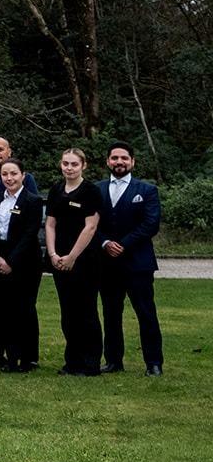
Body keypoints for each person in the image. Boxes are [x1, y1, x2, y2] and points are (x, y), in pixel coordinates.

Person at [96, 141, 163, 376]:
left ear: (132, 162)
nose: (119, 162)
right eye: (114, 158)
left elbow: (150, 224)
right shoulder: (98, 189)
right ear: (108, 162)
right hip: (107, 264)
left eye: (124, 158)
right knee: (111, 313)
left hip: (138, 263)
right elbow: (91, 225)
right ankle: (114, 361)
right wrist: (104, 242)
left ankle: (153, 363)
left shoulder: (147, 190)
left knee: (145, 313)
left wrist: (123, 244)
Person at [46, 147, 103, 375]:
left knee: (86, 312)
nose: (69, 168)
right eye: (65, 163)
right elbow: (50, 224)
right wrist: (53, 254)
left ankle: (90, 364)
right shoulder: (56, 190)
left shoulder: (91, 192)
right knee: (68, 313)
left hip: (84, 260)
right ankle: (72, 362)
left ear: (83, 166)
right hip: (59, 260)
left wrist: (72, 256)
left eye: (74, 164)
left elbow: (90, 227)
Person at [0, 156, 43, 372]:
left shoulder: (33, 201)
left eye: (13, 174)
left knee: (24, 309)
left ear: (23, 176)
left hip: (24, 261)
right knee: (1, 310)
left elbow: (30, 234)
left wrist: (11, 262)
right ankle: (4, 355)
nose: (9, 178)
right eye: (4, 174)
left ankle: (28, 358)